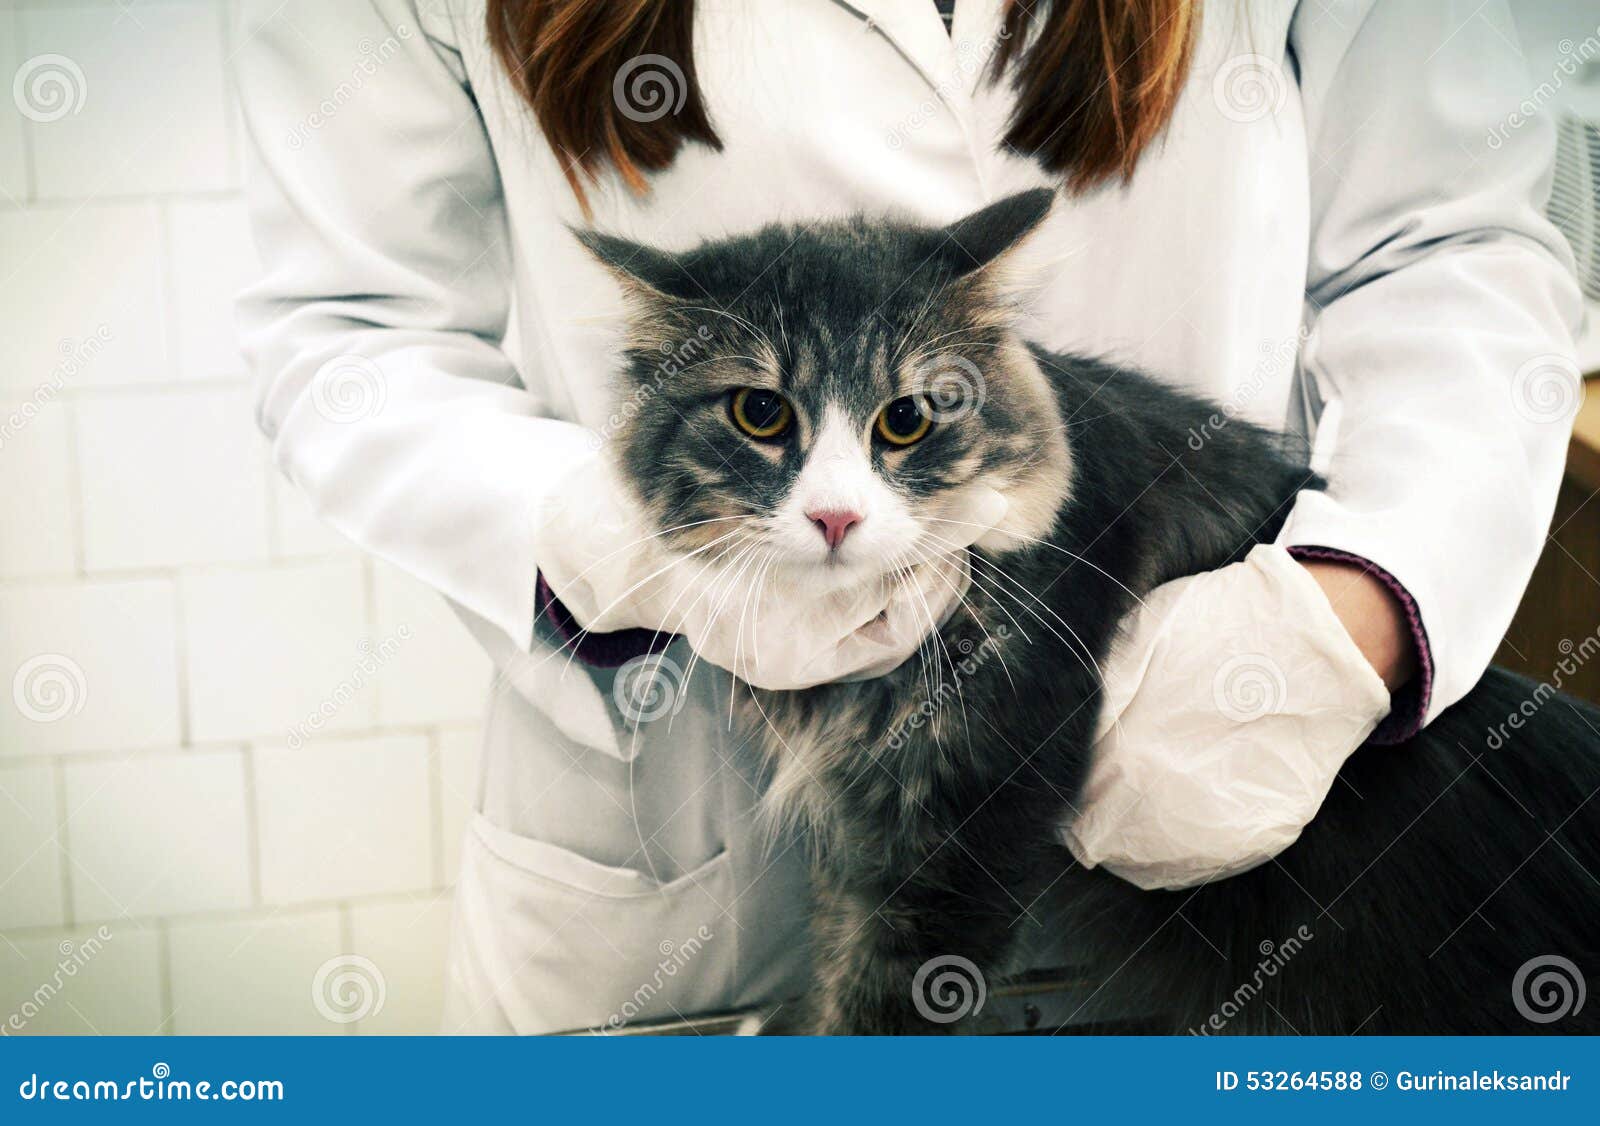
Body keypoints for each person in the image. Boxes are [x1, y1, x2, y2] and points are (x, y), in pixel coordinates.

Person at [236, 0, 1582, 1033]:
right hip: (689, 877)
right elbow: (350, 330)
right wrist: (627, 548)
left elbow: (1448, 240)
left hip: (1234, 851)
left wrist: (1350, 616)